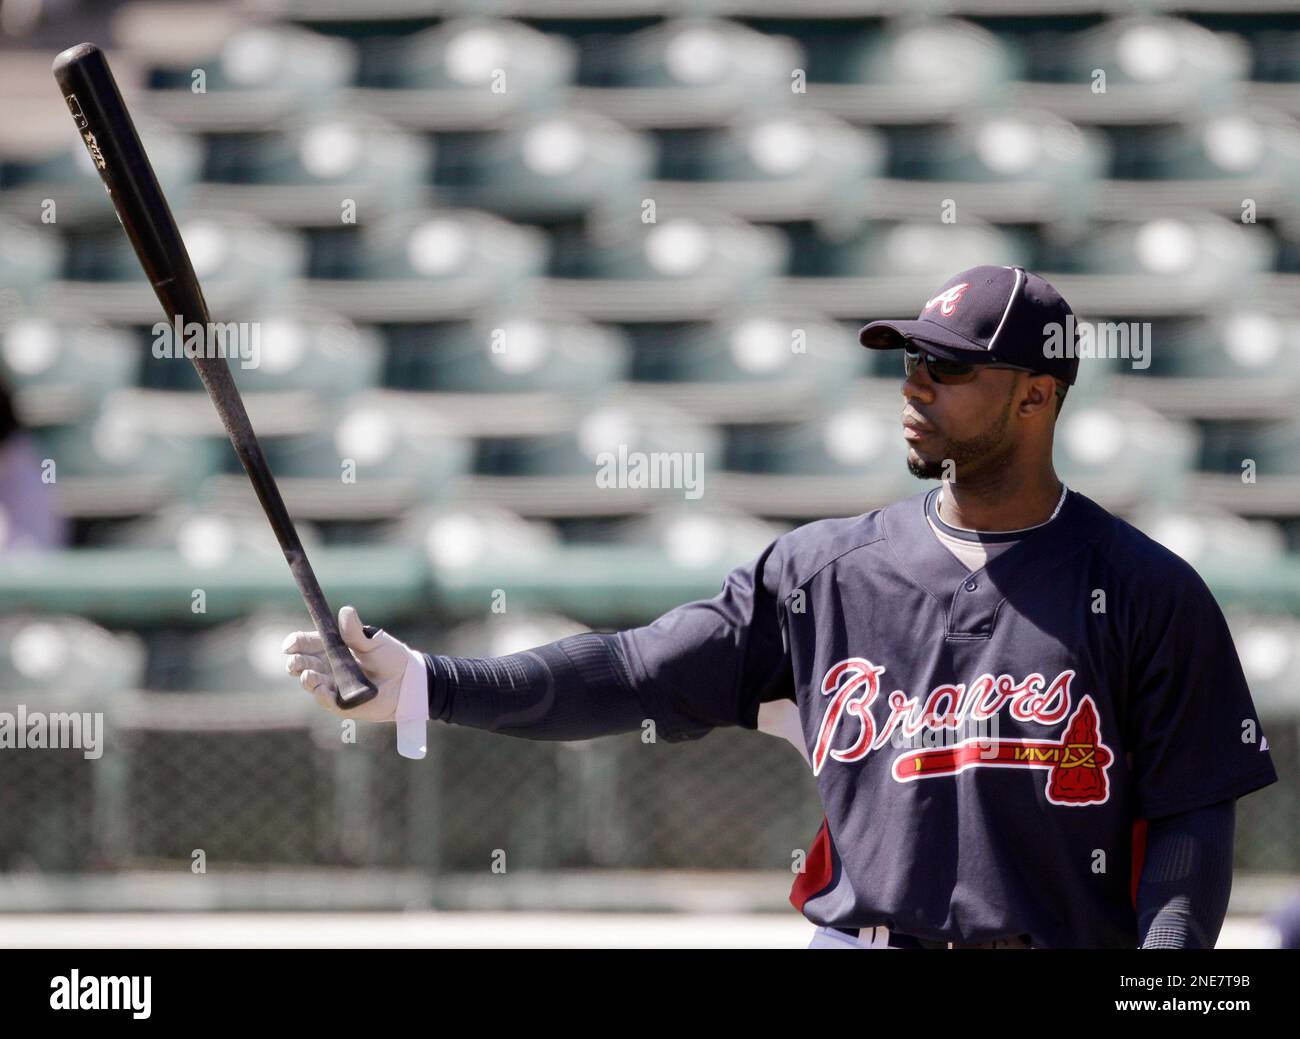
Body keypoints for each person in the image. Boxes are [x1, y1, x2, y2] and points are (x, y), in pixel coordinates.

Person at [283, 265, 1278, 949]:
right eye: (908, 360)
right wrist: (428, 684)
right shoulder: (822, 573)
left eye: (949, 367)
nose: (915, 385)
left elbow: (1192, 827)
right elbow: (636, 672)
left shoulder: (1146, 590)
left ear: (1035, 396)